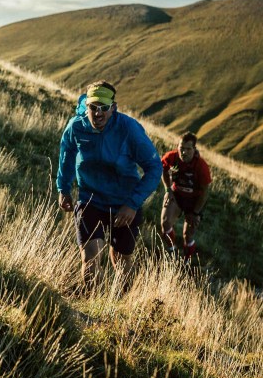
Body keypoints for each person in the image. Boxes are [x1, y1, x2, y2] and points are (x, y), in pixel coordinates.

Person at [57, 81, 161, 288]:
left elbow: (154, 167)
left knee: (121, 260)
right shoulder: (76, 127)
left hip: (124, 204)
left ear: (113, 107)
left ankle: (125, 302)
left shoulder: (128, 129)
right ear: (87, 106)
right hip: (90, 200)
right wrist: (64, 188)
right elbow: (66, 156)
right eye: (93, 107)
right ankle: (92, 302)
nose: (98, 113)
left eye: (104, 108)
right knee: (90, 257)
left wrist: (132, 203)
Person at [159, 131, 211, 261]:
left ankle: (186, 261)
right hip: (176, 195)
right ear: (177, 146)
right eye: (181, 148)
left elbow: (205, 192)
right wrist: (168, 190)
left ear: (194, 149)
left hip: (194, 201)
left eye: (188, 149)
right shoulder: (172, 157)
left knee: (188, 234)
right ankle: (172, 252)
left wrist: (195, 212)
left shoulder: (201, 166)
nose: (184, 152)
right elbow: (163, 168)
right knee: (165, 223)